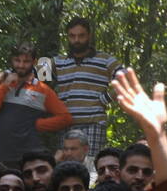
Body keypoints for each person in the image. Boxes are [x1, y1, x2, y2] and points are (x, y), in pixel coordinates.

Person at [0, 41, 73, 166]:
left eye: (26, 61)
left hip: (31, 157)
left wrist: (39, 125)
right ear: (11, 61)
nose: (21, 65)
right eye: (17, 60)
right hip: (2, 155)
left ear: (34, 62)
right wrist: (4, 86)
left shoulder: (43, 89)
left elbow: (66, 118)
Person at [52, 17, 124, 157]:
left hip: (93, 123)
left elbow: (126, 78)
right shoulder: (59, 61)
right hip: (66, 123)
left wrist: (106, 99)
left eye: (81, 35)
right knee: (67, 165)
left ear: (89, 36)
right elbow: (33, 76)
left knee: (90, 168)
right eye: (72, 36)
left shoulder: (104, 59)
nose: (77, 40)